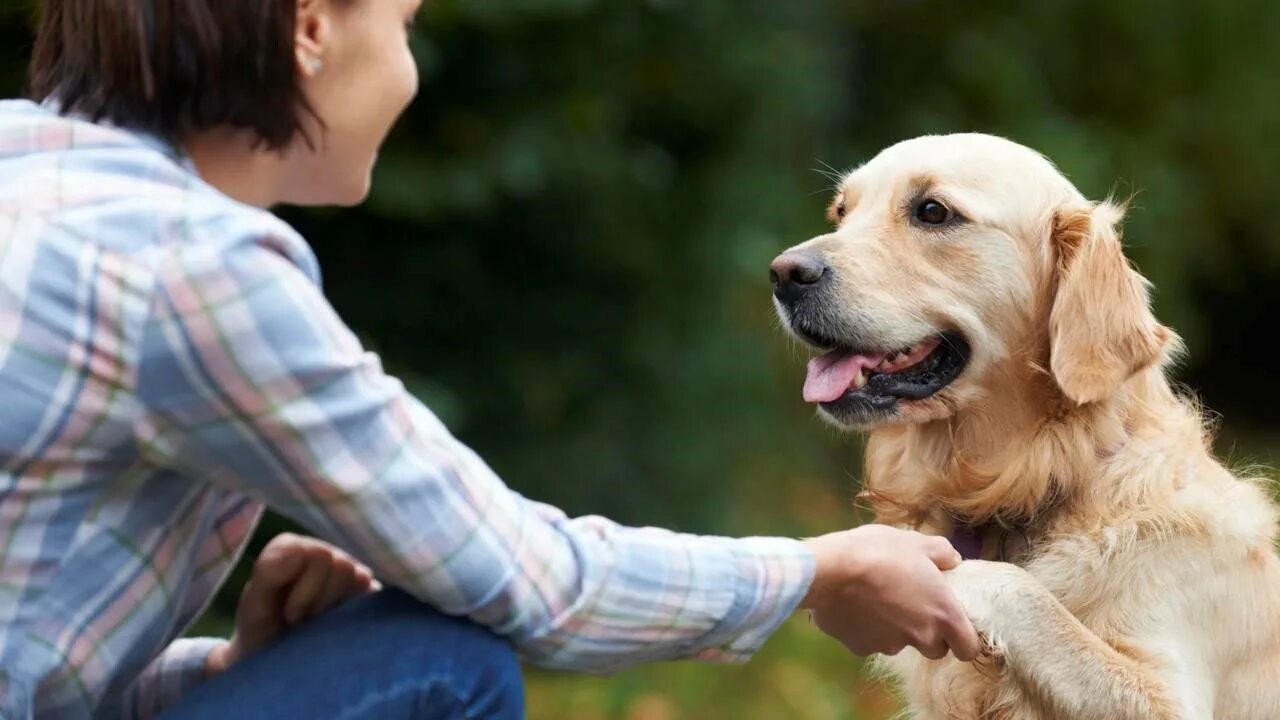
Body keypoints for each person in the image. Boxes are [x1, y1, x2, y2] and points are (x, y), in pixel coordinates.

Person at [0, 0, 982, 717]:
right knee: (438, 659)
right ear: (309, 29)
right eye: (405, 26)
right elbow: (532, 584)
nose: (409, 70)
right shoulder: (195, 269)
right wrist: (817, 569)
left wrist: (226, 674)